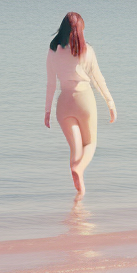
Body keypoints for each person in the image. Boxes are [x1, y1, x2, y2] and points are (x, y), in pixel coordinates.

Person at [44, 12, 117, 196]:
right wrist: (110, 103)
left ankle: (79, 195)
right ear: (80, 30)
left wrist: (47, 112)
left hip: (63, 103)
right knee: (90, 143)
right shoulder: (87, 51)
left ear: (62, 29)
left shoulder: (53, 50)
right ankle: (81, 169)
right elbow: (98, 79)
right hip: (84, 100)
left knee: (75, 147)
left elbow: (51, 84)